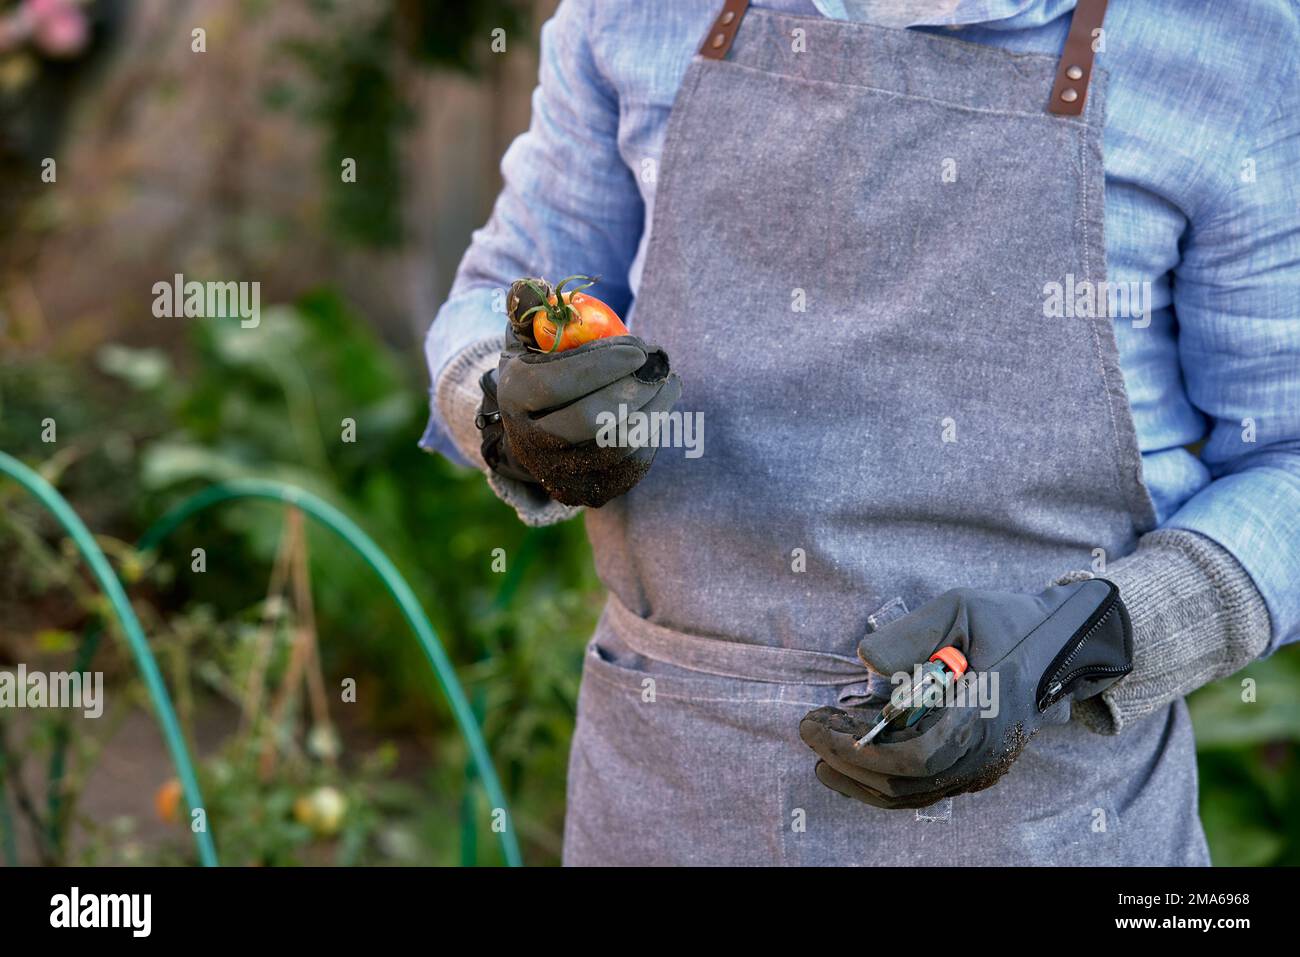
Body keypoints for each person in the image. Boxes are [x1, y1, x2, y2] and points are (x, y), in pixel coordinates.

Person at [420, 0, 1300, 865]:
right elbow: (499, 291)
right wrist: (507, 407)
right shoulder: (634, 16)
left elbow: (1286, 462)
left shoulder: (1234, 41)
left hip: (1051, 824)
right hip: (668, 788)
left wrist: (1086, 635)